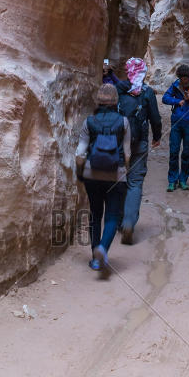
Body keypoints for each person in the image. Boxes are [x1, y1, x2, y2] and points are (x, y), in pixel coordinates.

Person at [76, 83, 131, 274]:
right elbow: (127, 153)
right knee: (113, 215)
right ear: (116, 101)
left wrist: (80, 172)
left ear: (98, 101)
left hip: (92, 173)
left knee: (95, 213)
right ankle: (103, 248)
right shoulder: (123, 122)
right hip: (116, 174)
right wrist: (125, 171)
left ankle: (95, 258)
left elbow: (80, 153)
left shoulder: (89, 122)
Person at [115, 56, 163, 244]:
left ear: (127, 71)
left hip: (119, 144)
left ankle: (119, 221)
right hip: (139, 143)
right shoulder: (147, 92)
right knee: (135, 183)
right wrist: (157, 137)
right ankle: (129, 222)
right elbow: (156, 119)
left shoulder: (118, 90)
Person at [162, 63, 189, 191]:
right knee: (174, 152)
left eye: (185, 78)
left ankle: (183, 180)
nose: (183, 81)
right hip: (176, 123)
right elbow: (165, 98)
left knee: (186, 153)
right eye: (181, 79)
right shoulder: (176, 85)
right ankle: (172, 180)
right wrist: (177, 101)